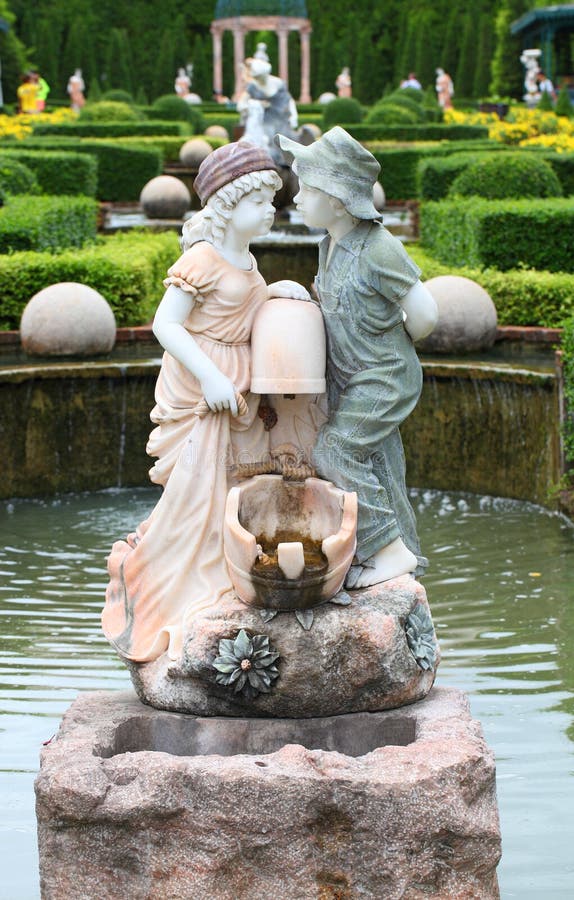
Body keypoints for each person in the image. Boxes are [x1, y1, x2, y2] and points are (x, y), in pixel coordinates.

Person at [102, 142, 309, 662]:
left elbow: (242, 306)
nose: (271, 210)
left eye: (272, 200)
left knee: (235, 482)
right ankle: (179, 584)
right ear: (227, 206)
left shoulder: (246, 259)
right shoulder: (201, 258)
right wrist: (212, 378)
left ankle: (230, 568)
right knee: (201, 492)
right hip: (204, 387)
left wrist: (276, 288)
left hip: (238, 387)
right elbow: (165, 325)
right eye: (259, 201)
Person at [278, 127, 438, 588]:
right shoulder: (328, 245)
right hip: (350, 377)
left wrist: (390, 342)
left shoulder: (379, 247)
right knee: (383, 465)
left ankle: (387, 550)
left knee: (336, 450)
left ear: (337, 199)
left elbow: (425, 315)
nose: (297, 197)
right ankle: (405, 556)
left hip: (383, 375)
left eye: (308, 189)